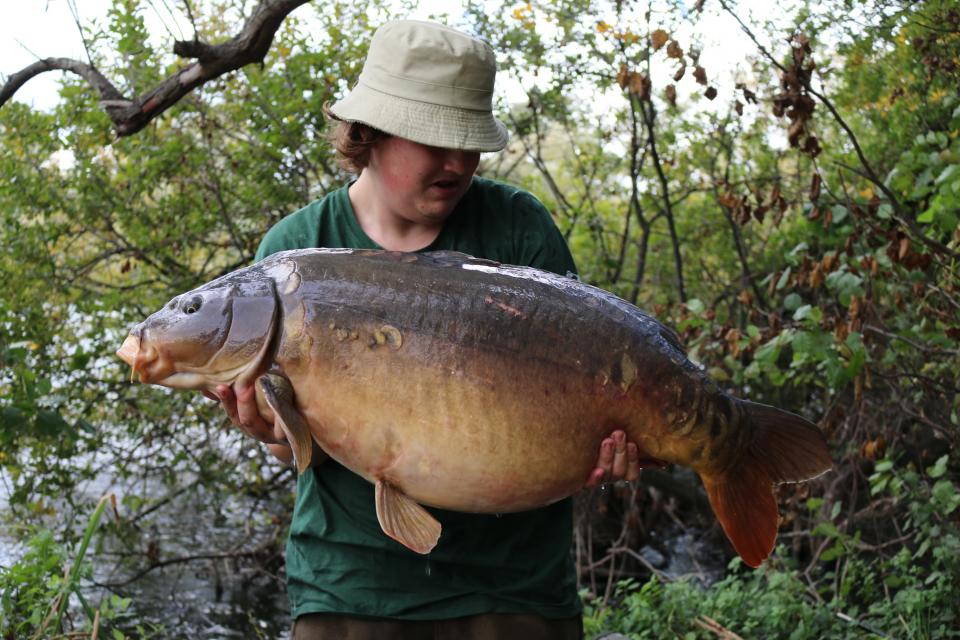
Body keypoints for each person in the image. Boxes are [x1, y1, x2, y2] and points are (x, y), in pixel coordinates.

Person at [211, 20, 641, 640]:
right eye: (435, 139)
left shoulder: (518, 228)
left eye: (469, 142)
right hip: (351, 587)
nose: (457, 162)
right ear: (368, 132)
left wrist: (602, 447)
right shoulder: (295, 251)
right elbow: (298, 452)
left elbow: (583, 395)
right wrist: (269, 430)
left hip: (514, 587)